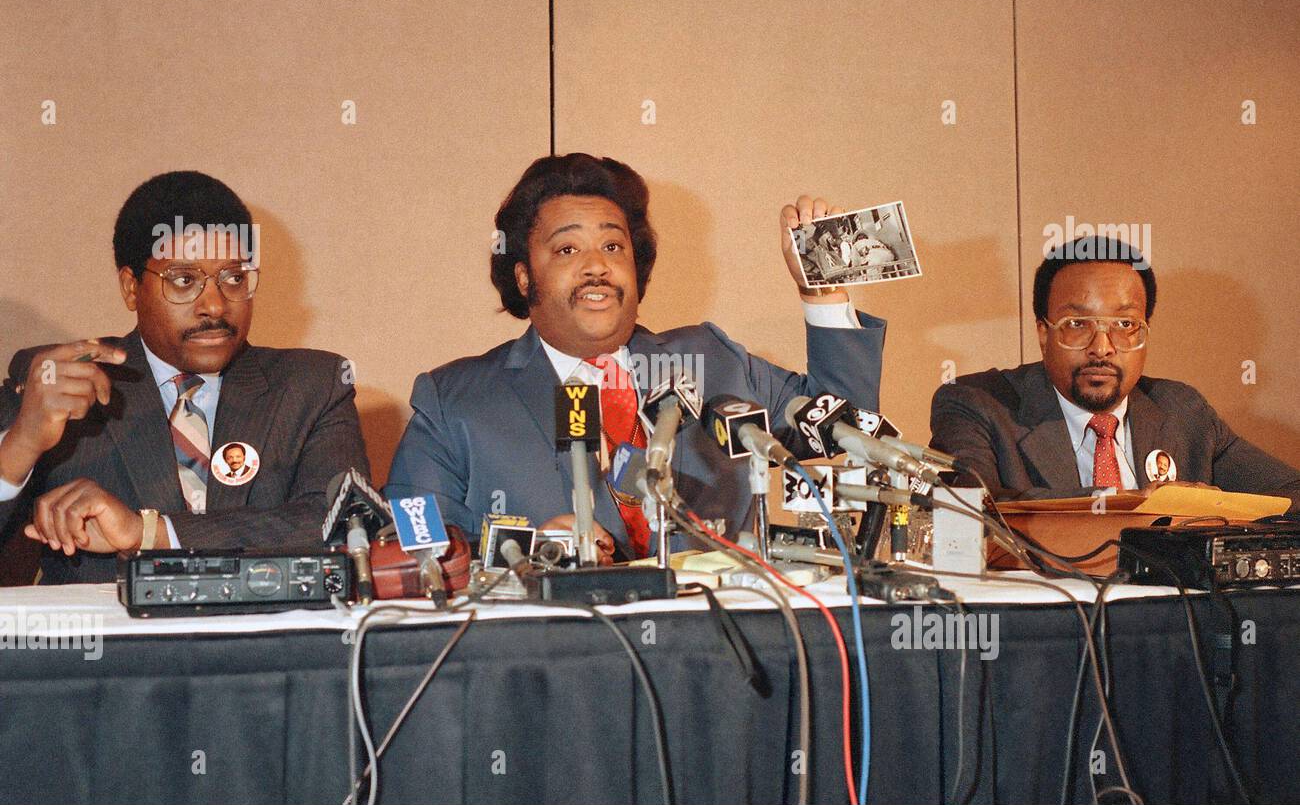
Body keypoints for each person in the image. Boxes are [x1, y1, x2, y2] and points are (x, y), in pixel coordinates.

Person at [385, 153, 887, 560]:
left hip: (719, 656)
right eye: (566, 251)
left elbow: (852, 426)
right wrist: (530, 550)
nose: (597, 266)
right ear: (523, 276)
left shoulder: (711, 359)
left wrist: (821, 292)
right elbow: (412, 543)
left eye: (612, 245)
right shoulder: (456, 400)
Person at [0, 171, 370, 583]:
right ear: (130, 288)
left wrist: (148, 532)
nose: (214, 305)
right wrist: (20, 445)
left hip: (266, 645)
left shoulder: (312, 386)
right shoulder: (58, 383)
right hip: (112, 648)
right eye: (184, 280)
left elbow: (343, 527)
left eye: (234, 277)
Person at [929, 236, 1300, 512]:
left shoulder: (1181, 410)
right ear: (1044, 333)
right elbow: (969, 504)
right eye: (1077, 323)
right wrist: (1133, 503)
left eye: (1125, 323)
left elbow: (1290, 494)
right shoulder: (976, 403)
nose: (1102, 347)